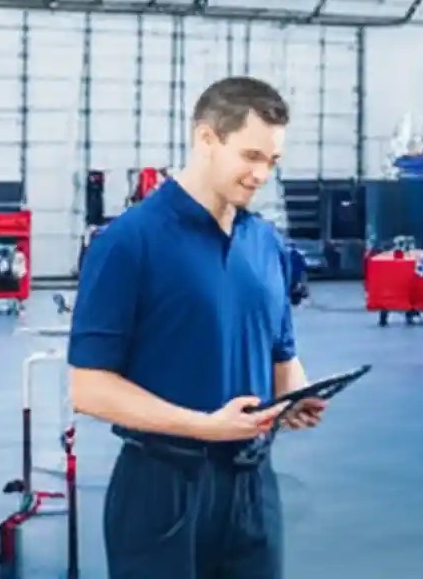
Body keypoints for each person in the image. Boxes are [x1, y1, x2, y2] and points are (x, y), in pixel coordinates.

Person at [67, 77, 327, 579]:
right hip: (161, 487)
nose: (261, 174)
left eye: (272, 161)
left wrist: (294, 396)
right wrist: (205, 426)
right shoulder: (128, 242)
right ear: (206, 138)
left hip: (253, 486)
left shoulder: (267, 245)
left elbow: (281, 354)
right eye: (250, 156)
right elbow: (89, 388)